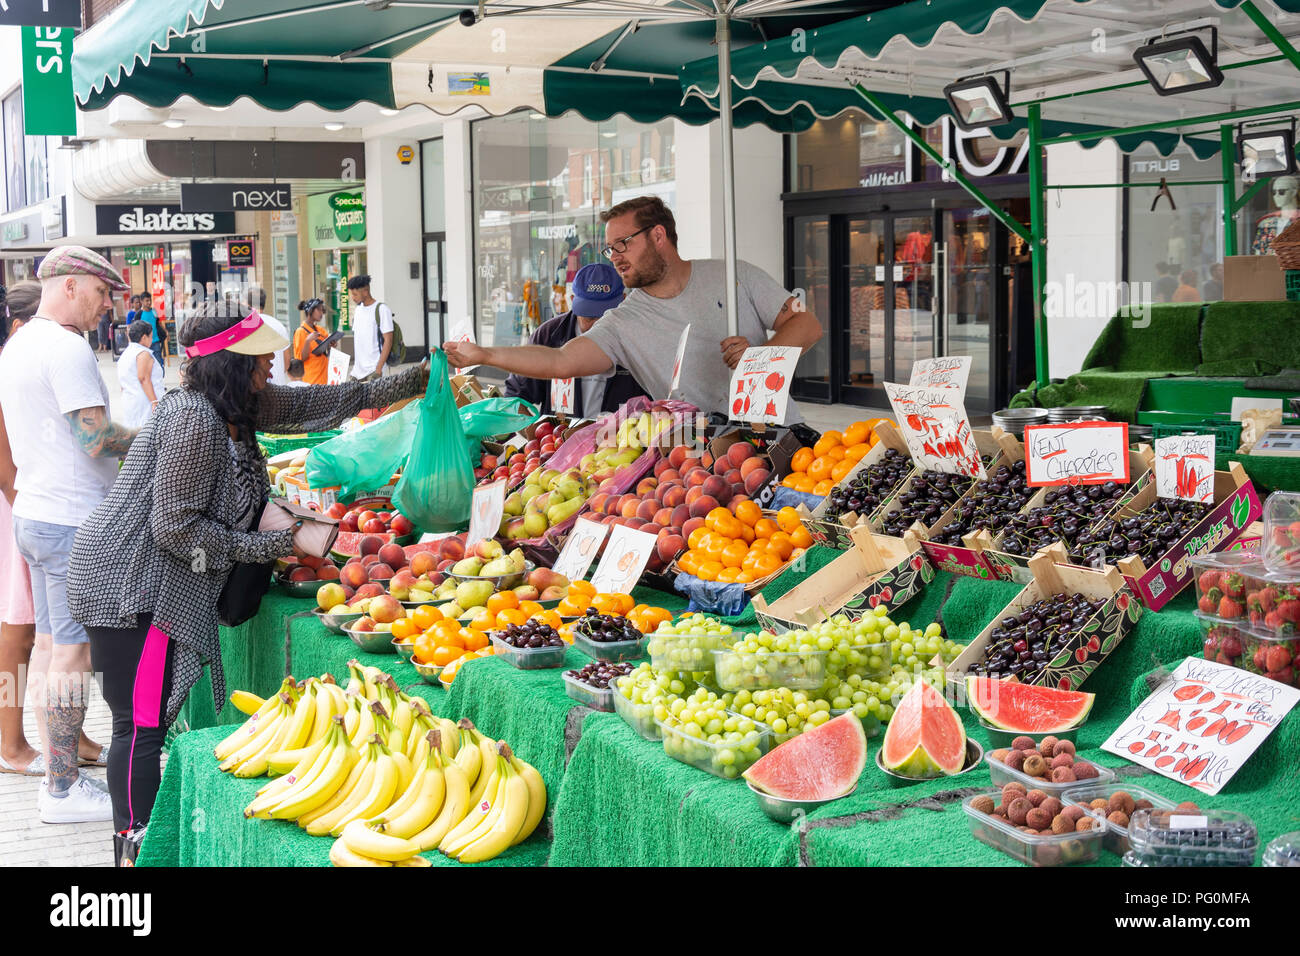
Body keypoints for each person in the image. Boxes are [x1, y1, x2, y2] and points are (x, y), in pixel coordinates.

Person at [66, 302, 430, 844]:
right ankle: (133, 850)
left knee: (144, 723)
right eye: (260, 358)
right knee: (140, 726)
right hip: (130, 587)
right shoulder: (194, 419)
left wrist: (419, 378)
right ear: (231, 363)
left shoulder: (237, 405)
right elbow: (175, 529)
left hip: (150, 580)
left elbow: (322, 401)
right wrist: (272, 545)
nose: (271, 366)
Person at [444, 196, 823, 420]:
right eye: (610, 249)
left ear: (658, 236)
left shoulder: (733, 275)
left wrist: (762, 357)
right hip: (705, 456)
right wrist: (486, 354)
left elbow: (806, 324)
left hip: (777, 432)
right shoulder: (623, 321)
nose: (615, 258)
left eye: (623, 244)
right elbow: (560, 362)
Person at [0, 247, 127, 824]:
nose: (108, 306)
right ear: (72, 286)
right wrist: (153, 439)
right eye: (103, 293)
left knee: (53, 650)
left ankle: (60, 778)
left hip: (36, 514)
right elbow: (95, 438)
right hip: (73, 521)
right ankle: (62, 788)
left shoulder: (21, 342)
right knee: (71, 654)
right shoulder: (68, 346)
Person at [503, 263, 648, 416]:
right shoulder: (548, 336)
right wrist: (536, 435)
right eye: (589, 317)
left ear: (623, 300)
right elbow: (515, 396)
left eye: (606, 316)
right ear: (573, 301)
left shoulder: (639, 338)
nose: (597, 326)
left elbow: (662, 400)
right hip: (560, 438)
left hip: (620, 438)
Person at [0, 281, 43, 776]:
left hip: (27, 506)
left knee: (48, 635)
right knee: (19, 635)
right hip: (18, 509)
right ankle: (11, 744)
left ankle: (68, 732)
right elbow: (7, 467)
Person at [116, 320, 164, 428]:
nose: (151, 340)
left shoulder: (125, 354)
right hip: (145, 403)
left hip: (130, 401)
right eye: (150, 337)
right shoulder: (143, 353)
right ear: (143, 338)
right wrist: (154, 402)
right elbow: (143, 378)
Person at [346, 275, 394, 381]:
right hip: (357, 372)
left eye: (355, 294)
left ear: (365, 292)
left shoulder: (382, 310)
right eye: (351, 295)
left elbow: (388, 340)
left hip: (374, 371)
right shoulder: (358, 310)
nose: (353, 298)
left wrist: (378, 369)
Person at [292, 297, 331, 385]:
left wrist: (331, 343)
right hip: (310, 380)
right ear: (310, 311)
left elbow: (327, 349)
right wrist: (307, 341)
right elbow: (300, 359)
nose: (321, 313)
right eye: (319, 310)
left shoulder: (320, 330)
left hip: (324, 377)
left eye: (322, 310)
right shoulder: (300, 332)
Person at [137, 293, 164, 368]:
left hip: (155, 341)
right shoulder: (139, 314)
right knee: (145, 363)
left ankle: (159, 377)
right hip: (143, 344)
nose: (149, 302)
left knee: (158, 362)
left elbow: (158, 323)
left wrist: (165, 332)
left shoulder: (154, 311)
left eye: (150, 300)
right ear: (141, 301)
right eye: (147, 300)